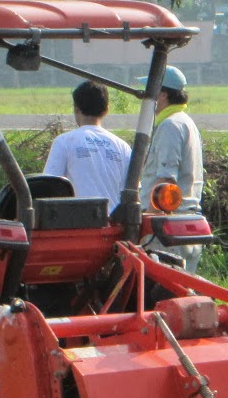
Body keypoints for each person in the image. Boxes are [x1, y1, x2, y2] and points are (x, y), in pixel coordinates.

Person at [138, 66, 205, 273]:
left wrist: (146, 225)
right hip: (187, 221)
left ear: (163, 95)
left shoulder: (170, 126)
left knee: (157, 293)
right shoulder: (186, 123)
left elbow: (166, 181)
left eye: (150, 92)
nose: (146, 97)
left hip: (167, 226)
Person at [43, 81, 132, 206]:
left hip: (76, 221)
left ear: (76, 109)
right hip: (113, 222)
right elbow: (129, 192)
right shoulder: (123, 147)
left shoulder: (64, 142)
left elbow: (48, 187)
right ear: (106, 110)